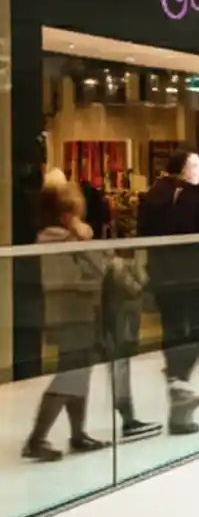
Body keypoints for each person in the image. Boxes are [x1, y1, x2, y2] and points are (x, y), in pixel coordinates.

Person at [21, 176, 114, 461]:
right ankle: (37, 438)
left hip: (78, 312)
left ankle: (78, 433)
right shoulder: (56, 242)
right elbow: (95, 271)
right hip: (70, 313)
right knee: (70, 373)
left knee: (79, 371)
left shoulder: (62, 240)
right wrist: (84, 242)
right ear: (65, 214)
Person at [137, 150, 199, 435]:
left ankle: (178, 397)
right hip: (197, 274)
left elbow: (144, 232)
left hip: (164, 274)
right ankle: (179, 379)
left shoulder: (153, 196)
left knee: (172, 330)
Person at [102, 248, 163, 443]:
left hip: (122, 322)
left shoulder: (119, 264)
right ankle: (127, 418)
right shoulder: (117, 265)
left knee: (121, 366)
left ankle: (127, 416)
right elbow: (136, 286)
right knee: (119, 367)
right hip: (118, 323)